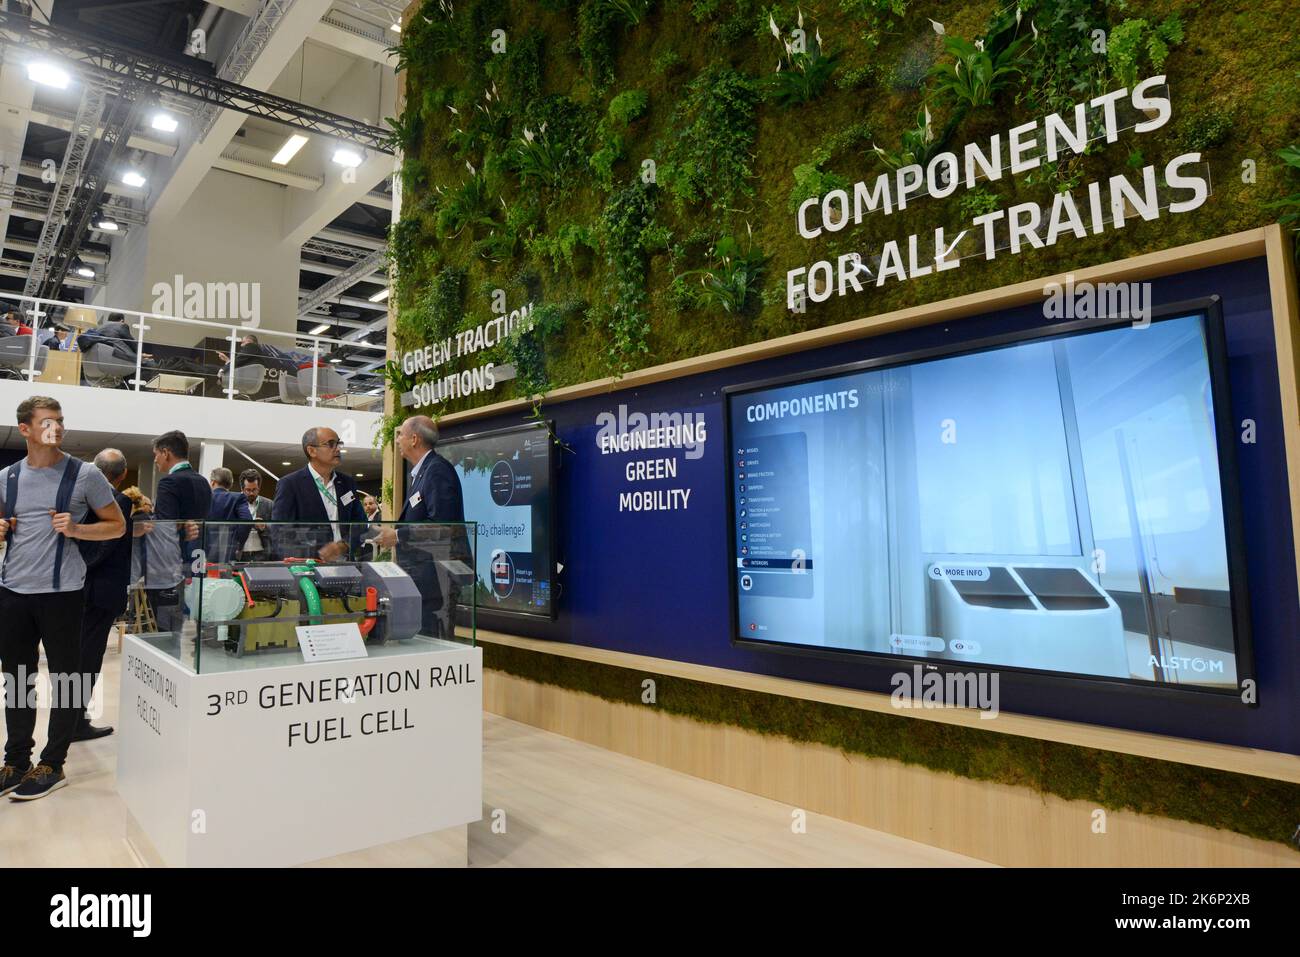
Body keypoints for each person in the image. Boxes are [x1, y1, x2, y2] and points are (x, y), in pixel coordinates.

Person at [0, 397, 125, 801]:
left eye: (60, 421)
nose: (56, 428)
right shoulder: (7, 478)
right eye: (47, 422)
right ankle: (16, 760)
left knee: (67, 680)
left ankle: (53, 762)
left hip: (63, 595)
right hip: (13, 592)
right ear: (25, 429)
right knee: (18, 680)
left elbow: (117, 527)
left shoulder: (85, 474)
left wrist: (76, 529)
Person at [375, 416, 465, 638]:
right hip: (425, 579)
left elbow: (443, 525)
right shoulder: (422, 472)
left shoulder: (437, 470)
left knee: (434, 643)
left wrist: (397, 535)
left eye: (400, 434)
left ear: (414, 439)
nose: (397, 440)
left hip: (435, 581)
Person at [73, 448, 134, 742]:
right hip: (100, 591)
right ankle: (75, 721)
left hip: (81, 589)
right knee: (88, 657)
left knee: (80, 654)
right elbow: (105, 545)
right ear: (121, 475)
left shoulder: (81, 497)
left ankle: (73, 719)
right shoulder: (116, 500)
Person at [272, 427, 367, 562]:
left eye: (338, 444)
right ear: (311, 451)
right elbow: (280, 533)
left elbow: (361, 524)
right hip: (308, 568)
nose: (338, 449)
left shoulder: (347, 483)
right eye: (330, 444)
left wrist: (343, 545)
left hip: (346, 566)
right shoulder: (290, 484)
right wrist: (303, 561)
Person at [148, 430, 211, 632]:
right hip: (195, 561)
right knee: (181, 622)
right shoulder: (203, 482)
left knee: (164, 626)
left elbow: (165, 527)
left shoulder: (169, 482)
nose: (156, 460)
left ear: (166, 453)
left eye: (156, 454)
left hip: (168, 566)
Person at [206, 468, 252, 565]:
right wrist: (239, 543)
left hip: (204, 549)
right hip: (228, 550)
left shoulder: (204, 497)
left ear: (213, 482)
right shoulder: (238, 498)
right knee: (226, 578)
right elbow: (247, 521)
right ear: (230, 483)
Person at [238, 469, 273, 562]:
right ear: (242, 489)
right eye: (248, 490)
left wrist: (264, 526)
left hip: (261, 554)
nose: (251, 493)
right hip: (240, 554)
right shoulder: (235, 503)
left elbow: (277, 528)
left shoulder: (269, 504)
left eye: (254, 490)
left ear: (259, 488)